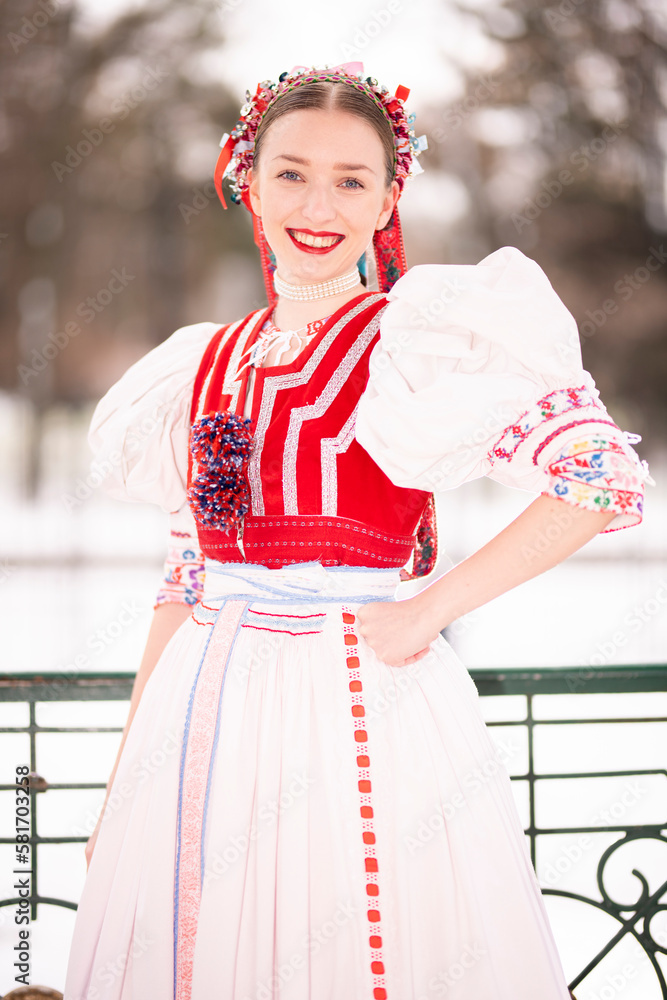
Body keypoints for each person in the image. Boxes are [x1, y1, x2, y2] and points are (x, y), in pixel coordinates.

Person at [63, 62, 650, 1000]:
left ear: (386, 201)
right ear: (244, 180)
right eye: (291, 173)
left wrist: (426, 614)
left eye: (351, 180)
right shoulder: (204, 364)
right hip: (198, 723)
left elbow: (598, 479)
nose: (318, 204)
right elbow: (188, 576)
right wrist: (127, 783)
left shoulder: (417, 346)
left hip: (357, 705)